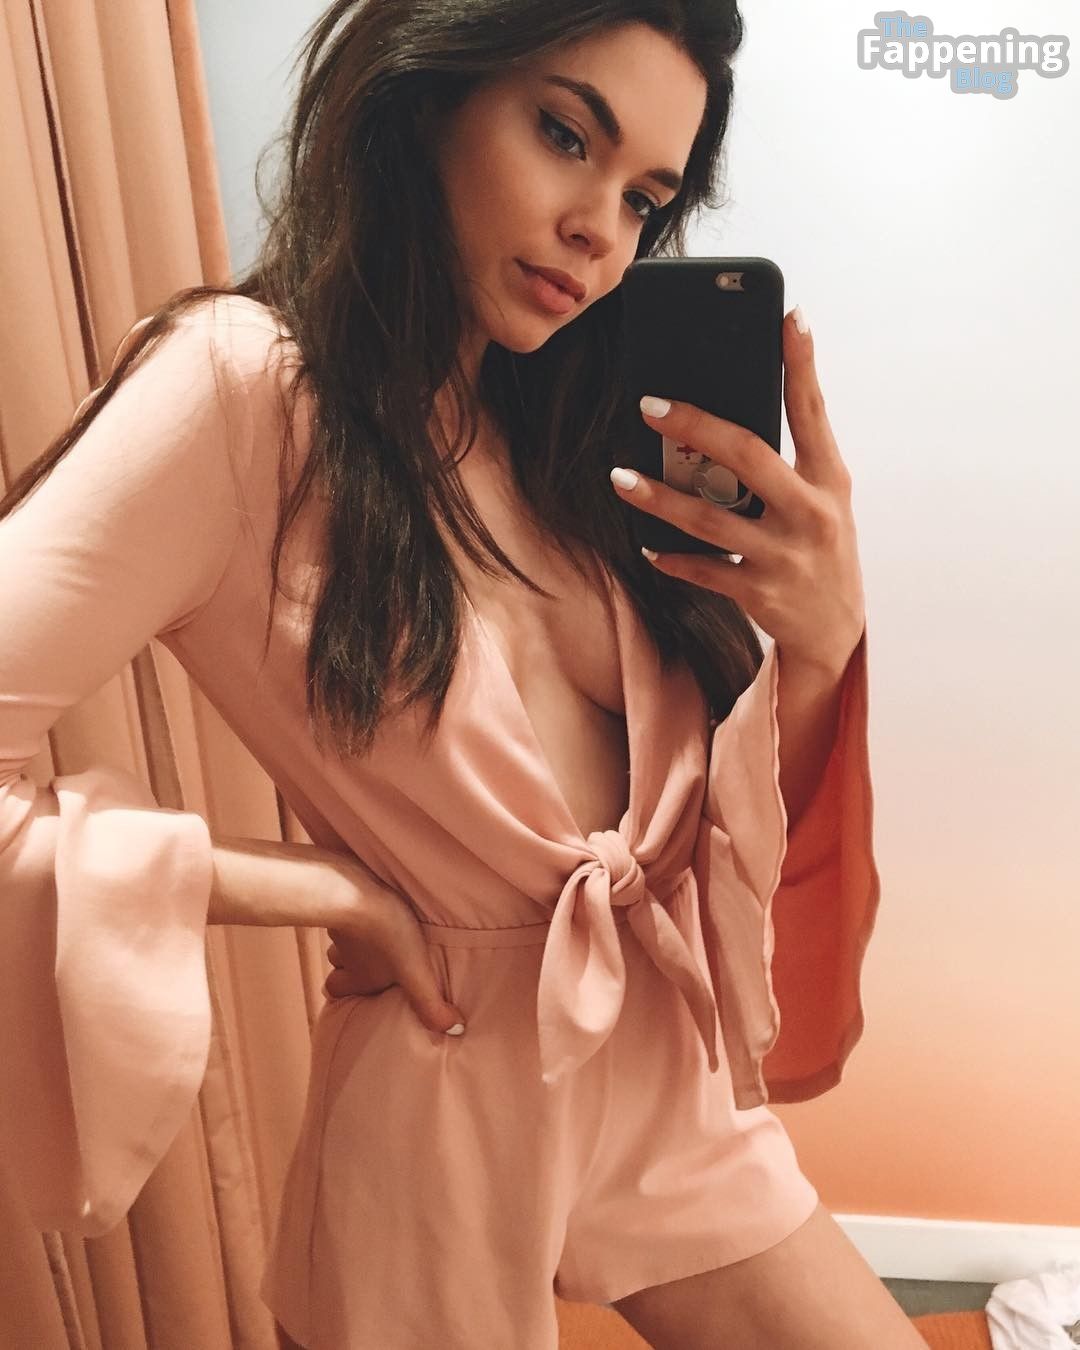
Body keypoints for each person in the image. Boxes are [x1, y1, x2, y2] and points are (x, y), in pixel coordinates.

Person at [0, 1, 923, 1347]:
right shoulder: (244, 391)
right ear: (427, 92)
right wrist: (320, 889)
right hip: (437, 1091)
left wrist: (824, 644)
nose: (600, 230)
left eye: (645, 198)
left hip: (661, 1073)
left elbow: (725, 848)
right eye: (566, 135)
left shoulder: (570, 420)